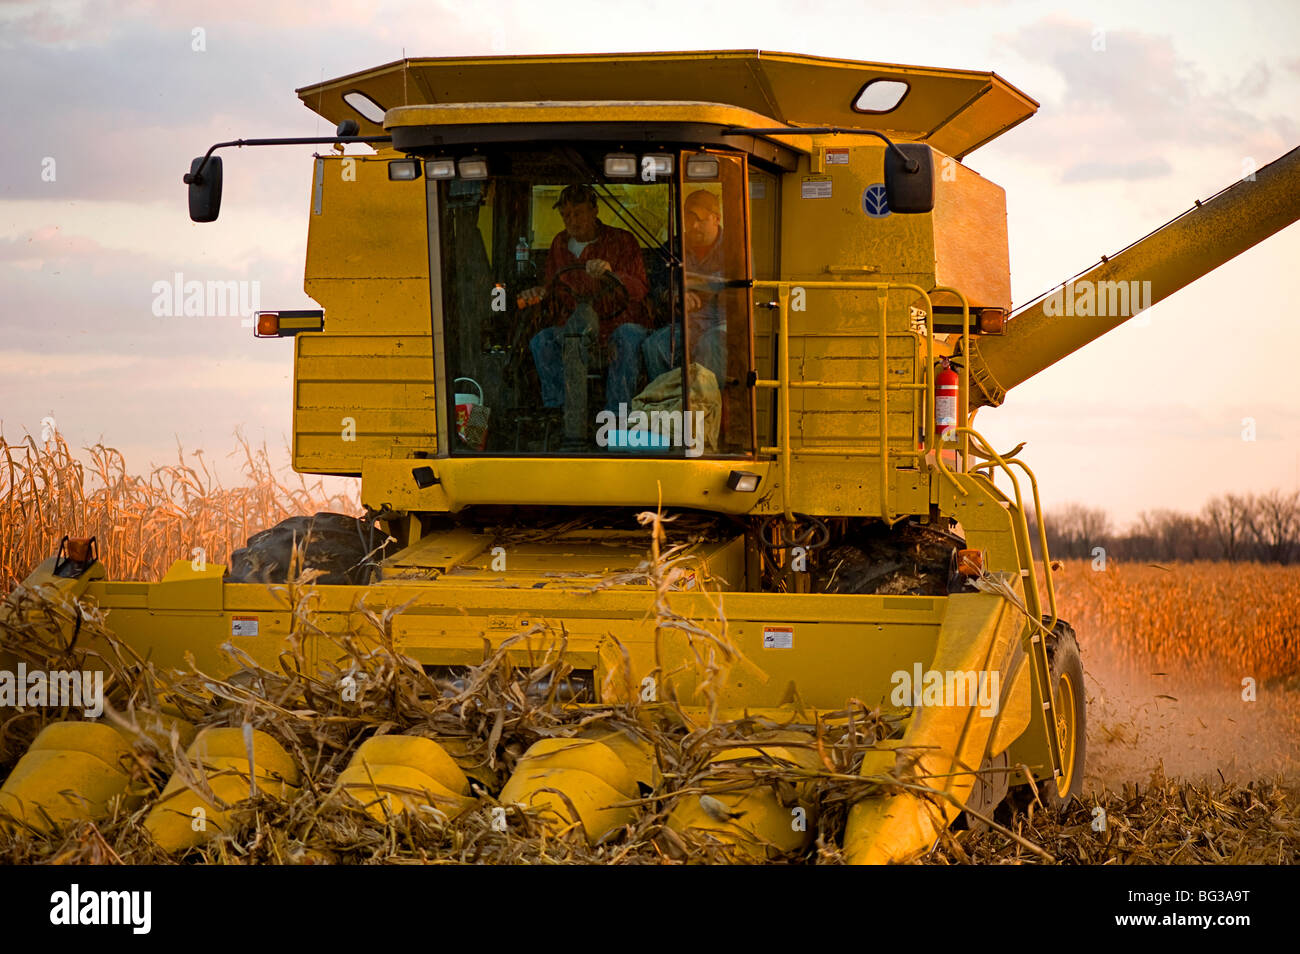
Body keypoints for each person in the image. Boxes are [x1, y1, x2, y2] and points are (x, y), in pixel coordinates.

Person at [525, 184, 650, 413]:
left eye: (578, 213)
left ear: (594, 211)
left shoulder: (623, 241)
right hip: (573, 328)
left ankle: (618, 418)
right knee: (541, 341)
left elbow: (640, 288)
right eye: (566, 215)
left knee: (629, 337)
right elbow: (554, 289)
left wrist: (611, 273)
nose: (571, 220)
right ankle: (560, 415)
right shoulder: (559, 244)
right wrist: (540, 293)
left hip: (616, 326)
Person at [642, 189, 727, 385]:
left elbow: (736, 285)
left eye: (700, 219)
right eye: (689, 219)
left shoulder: (736, 248)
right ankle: (668, 405)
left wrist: (695, 286)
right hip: (685, 323)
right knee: (654, 346)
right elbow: (656, 285)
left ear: (716, 218)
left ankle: (708, 410)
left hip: (722, 323)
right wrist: (675, 295)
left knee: (709, 345)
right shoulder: (672, 248)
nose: (694, 225)